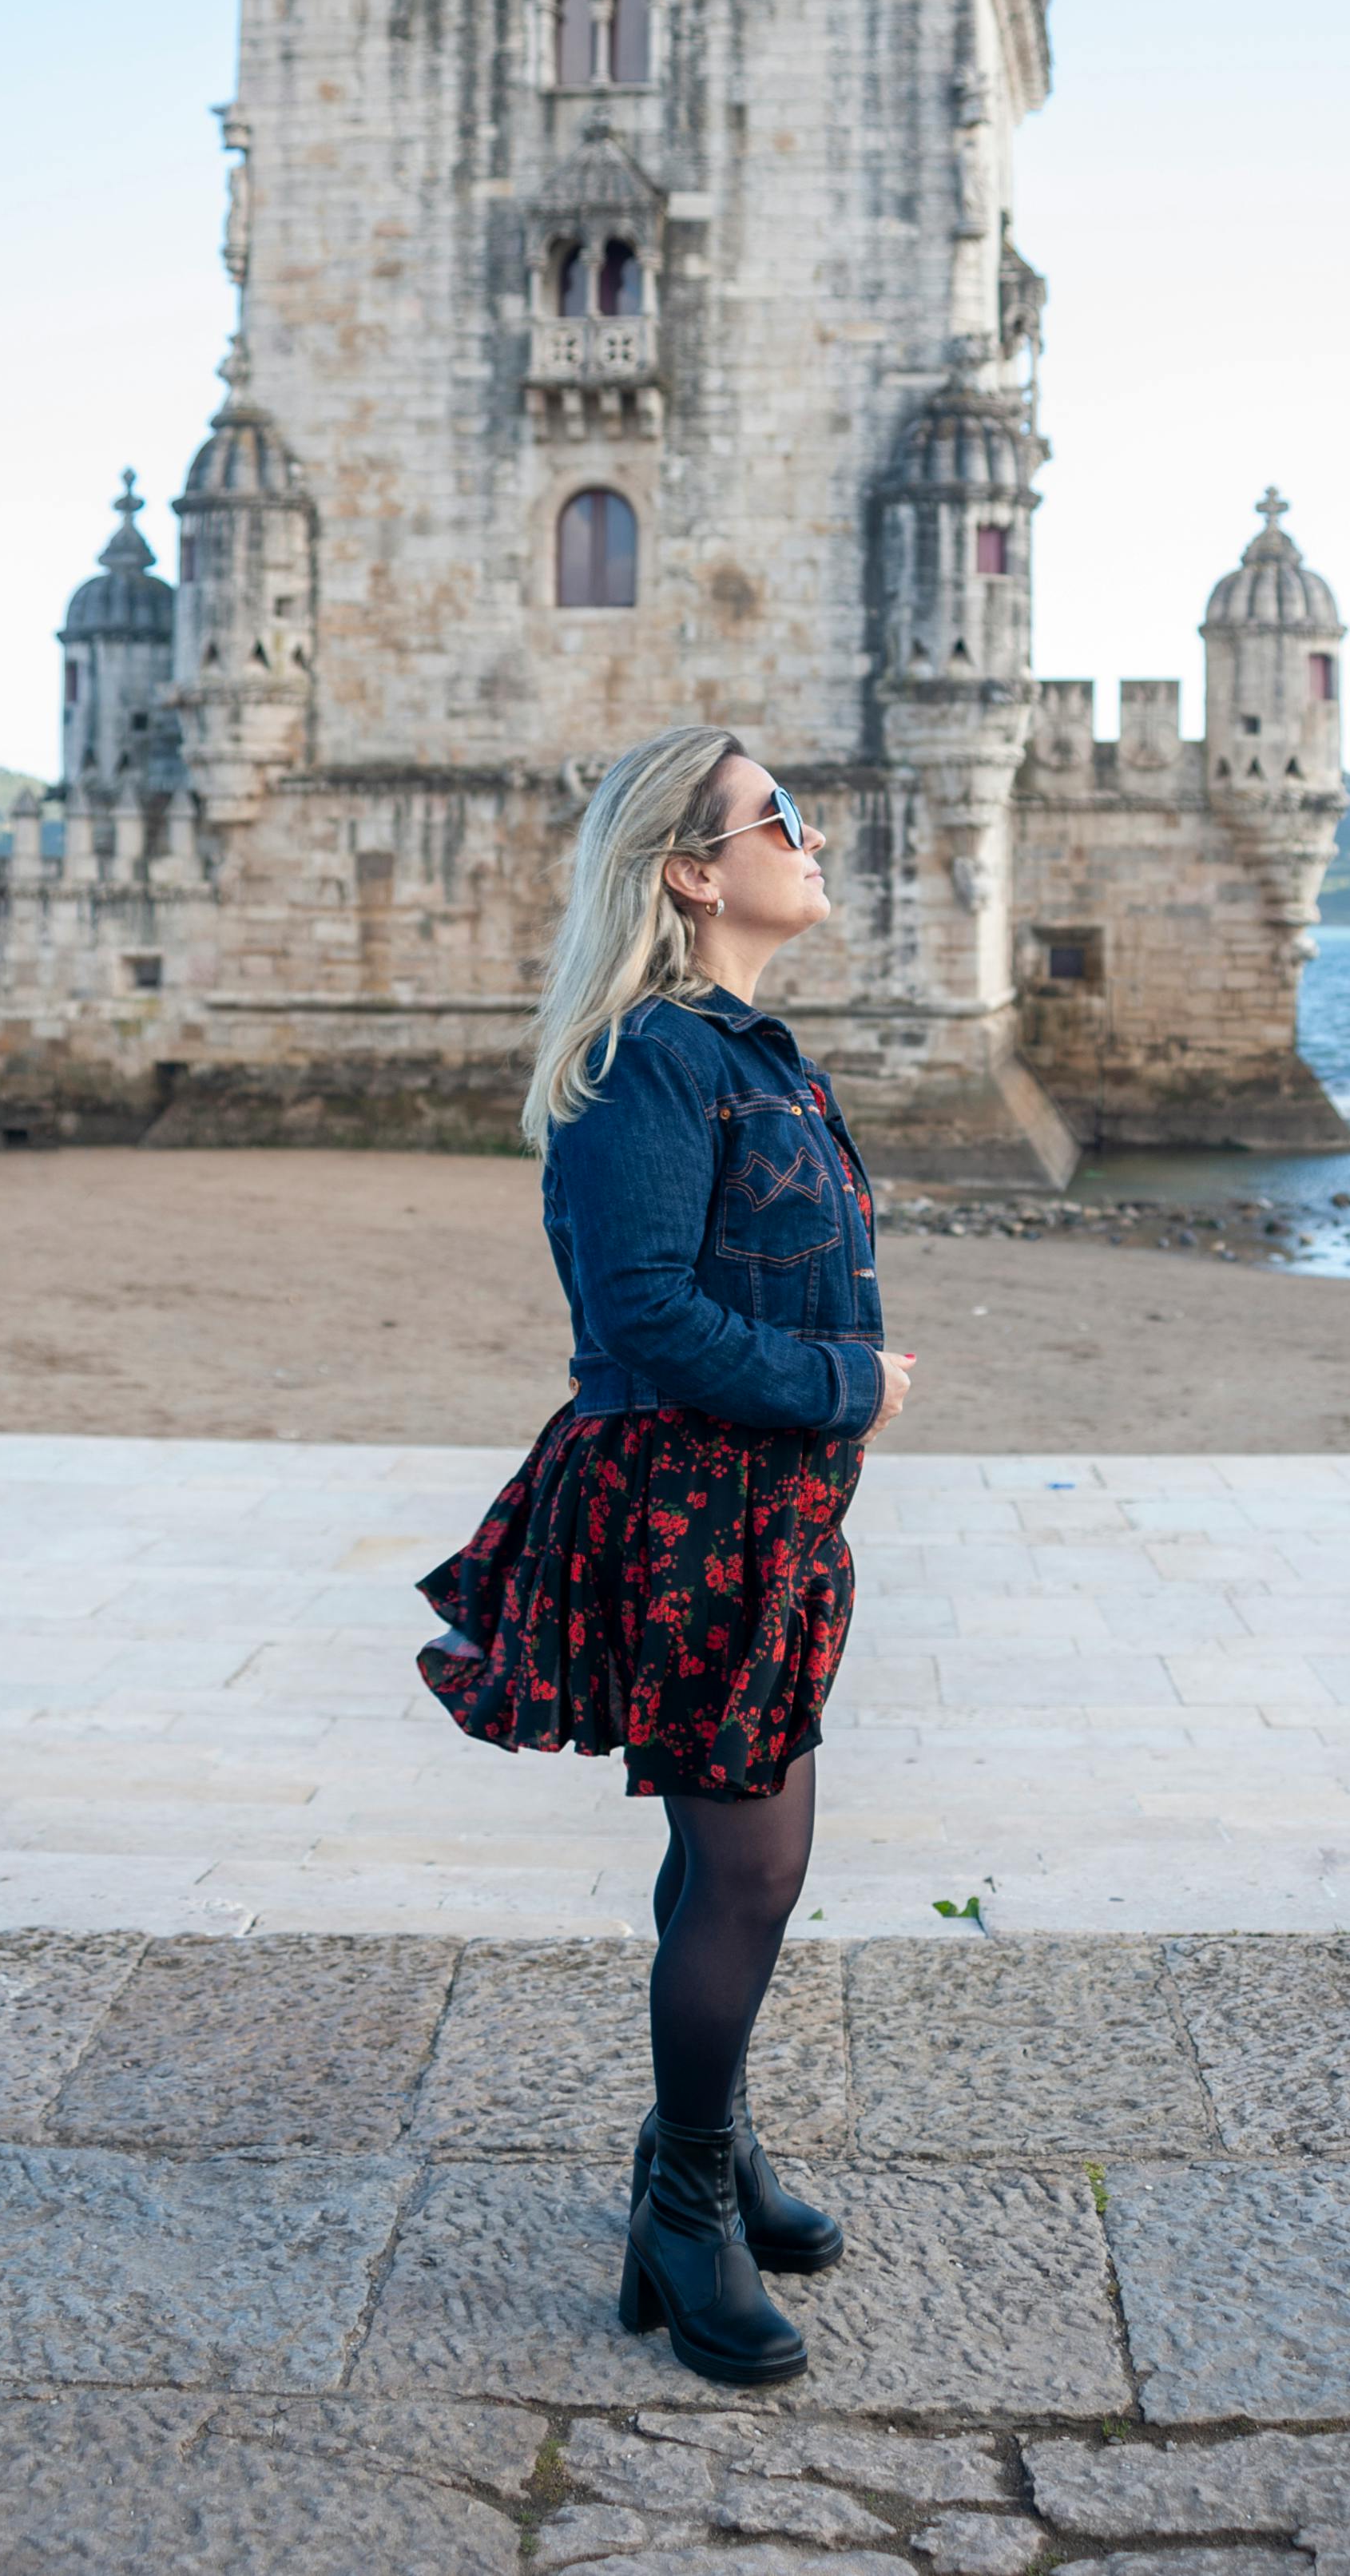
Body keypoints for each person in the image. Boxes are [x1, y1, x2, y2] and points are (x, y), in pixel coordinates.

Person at [415, 727, 914, 2388]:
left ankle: (707, 2135)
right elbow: (641, 1311)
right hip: (686, 1512)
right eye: (782, 816)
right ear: (692, 869)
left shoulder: (743, 1046)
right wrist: (850, 1382)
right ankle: (681, 2198)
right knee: (753, 1866)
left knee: (730, 1857)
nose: (812, 836)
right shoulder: (650, 1057)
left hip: (761, 1513)